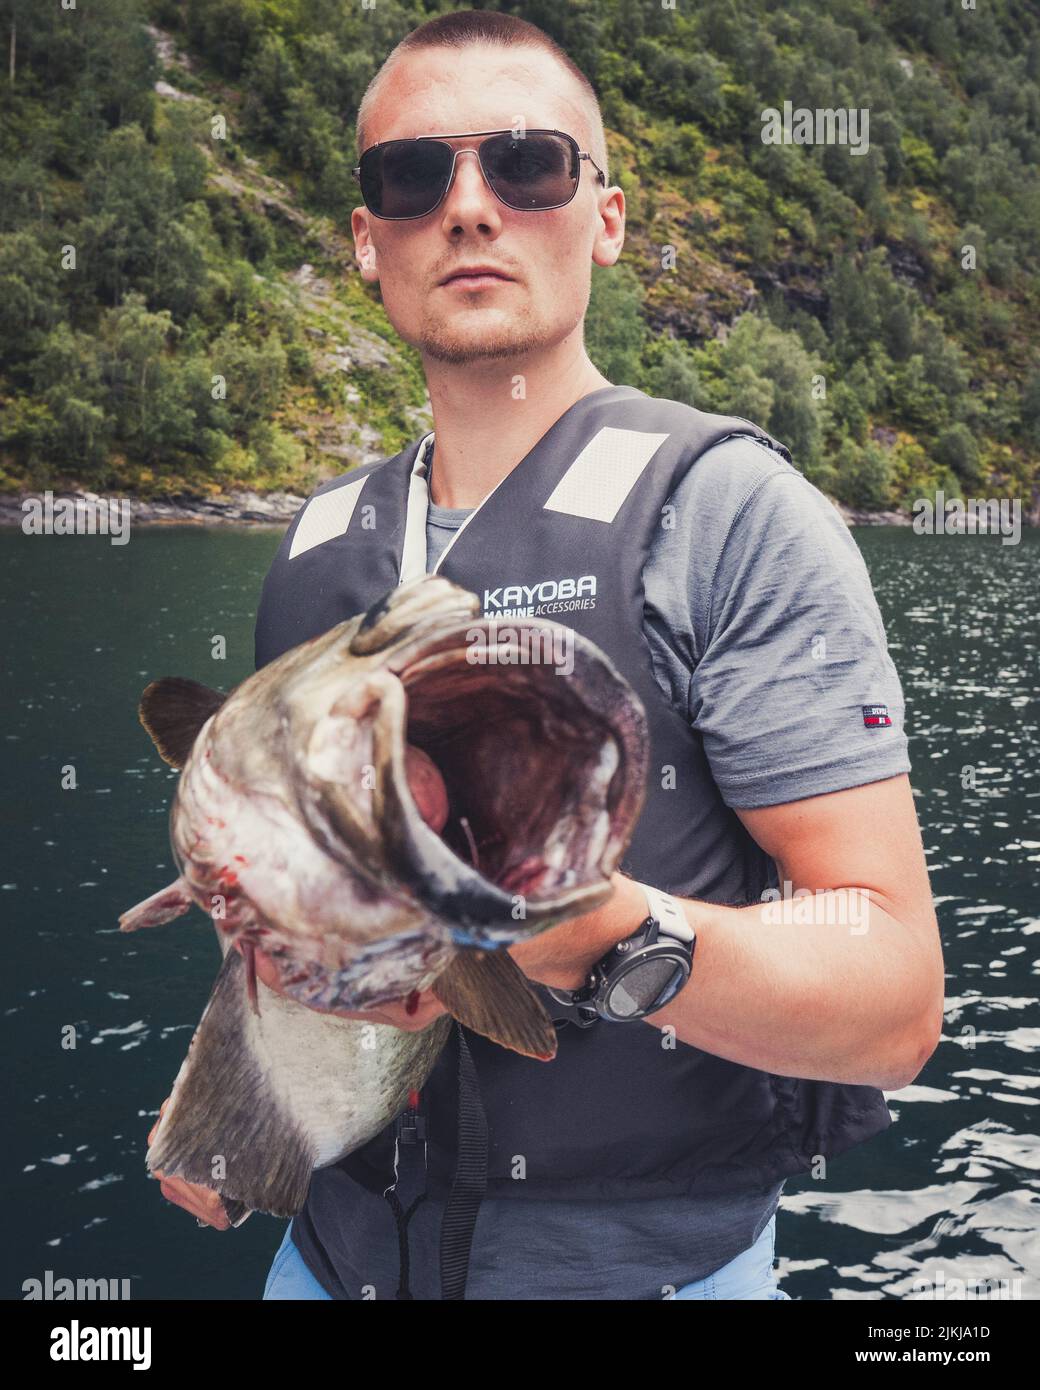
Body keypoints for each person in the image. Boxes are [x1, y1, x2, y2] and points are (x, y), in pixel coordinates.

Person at [153, 9, 944, 1301]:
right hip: (327, 1265)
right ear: (367, 239)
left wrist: (610, 937)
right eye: (413, 176)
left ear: (608, 216)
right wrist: (237, 1114)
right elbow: (278, 926)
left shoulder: (735, 519)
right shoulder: (314, 551)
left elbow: (896, 997)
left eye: (527, 164)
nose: (469, 207)